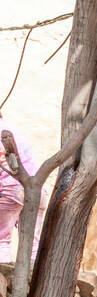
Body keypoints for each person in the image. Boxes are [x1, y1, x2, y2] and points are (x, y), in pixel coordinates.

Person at [0, 113, 42, 263]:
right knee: (33, 243)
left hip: (12, 188)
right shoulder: (15, 130)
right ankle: (33, 283)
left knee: (1, 241)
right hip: (37, 187)